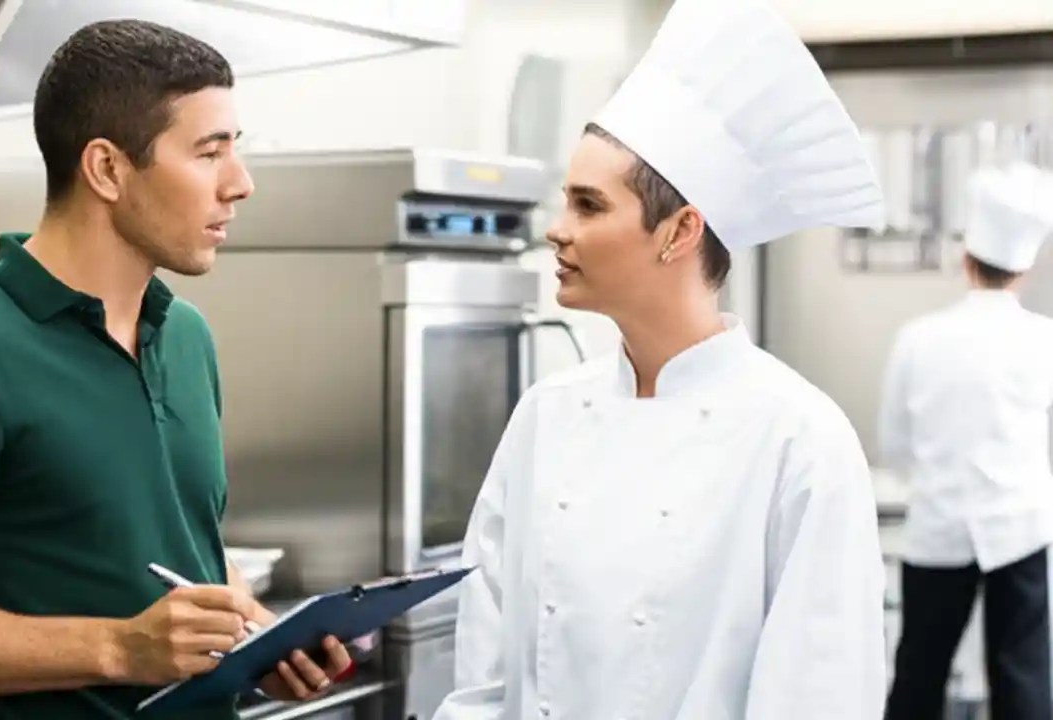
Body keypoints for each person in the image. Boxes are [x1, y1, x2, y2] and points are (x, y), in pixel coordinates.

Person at [0, 19, 351, 720]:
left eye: (236, 150)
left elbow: (180, 546)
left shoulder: (186, 336)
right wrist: (121, 648)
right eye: (208, 153)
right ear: (106, 168)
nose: (241, 183)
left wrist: (260, 638)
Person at [433, 0, 890, 717]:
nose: (557, 231)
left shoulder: (799, 438)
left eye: (589, 206)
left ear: (678, 232)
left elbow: (817, 695)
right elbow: (484, 676)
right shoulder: (545, 417)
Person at [881, 162, 1053, 720]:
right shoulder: (1044, 339)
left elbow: (894, 443)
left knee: (919, 673)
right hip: (1021, 527)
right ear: (1023, 271)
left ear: (966, 260)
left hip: (938, 526)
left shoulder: (919, 338)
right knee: (1023, 676)